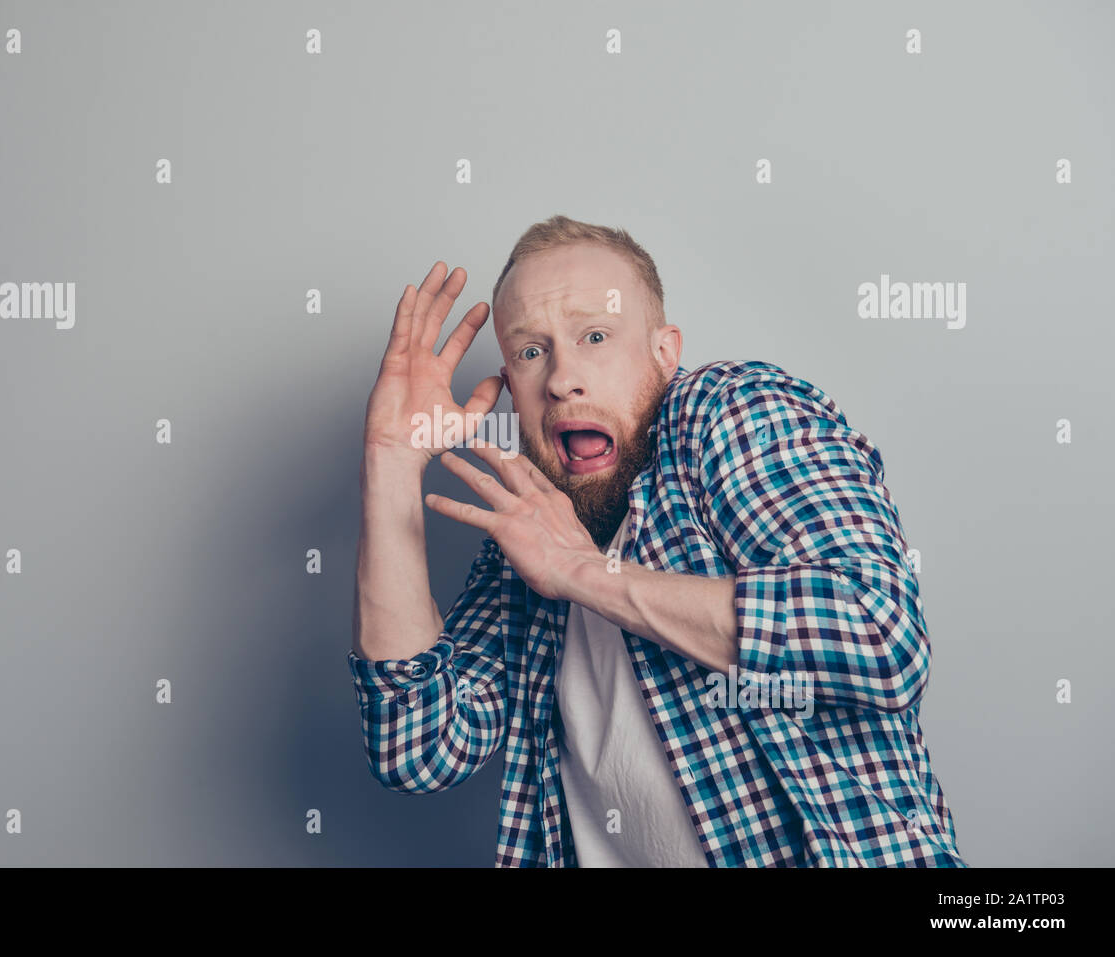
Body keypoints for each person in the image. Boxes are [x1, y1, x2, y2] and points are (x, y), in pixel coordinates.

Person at [348, 214, 966, 867]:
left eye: (594, 335)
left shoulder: (724, 412)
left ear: (664, 352)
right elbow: (416, 747)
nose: (561, 378)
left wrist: (585, 573)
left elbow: (879, 632)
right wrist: (391, 462)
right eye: (532, 351)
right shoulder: (527, 538)